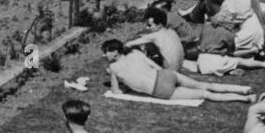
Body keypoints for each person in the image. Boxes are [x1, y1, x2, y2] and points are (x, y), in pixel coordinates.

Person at [102, 40, 253, 102]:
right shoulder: (136, 54)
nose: (104, 56)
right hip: (166, 75)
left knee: (205, 95)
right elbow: (157, 67)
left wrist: (127, 85)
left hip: (160, 88)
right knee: (204, 85)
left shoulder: (113, 68)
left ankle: (244, 99)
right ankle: (242, 89)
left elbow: (116, 92)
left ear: (114, 52)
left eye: (106, 52)